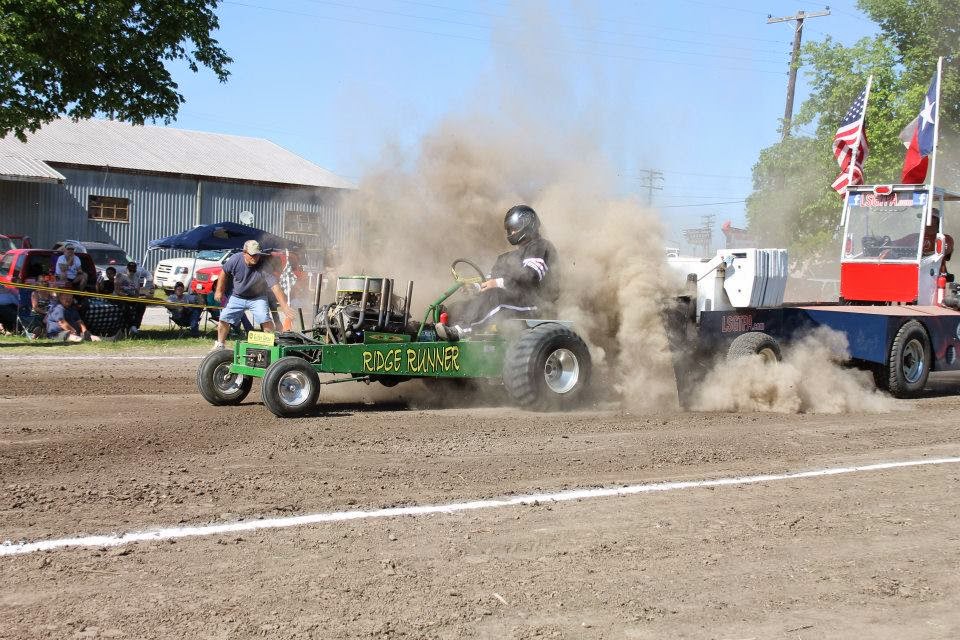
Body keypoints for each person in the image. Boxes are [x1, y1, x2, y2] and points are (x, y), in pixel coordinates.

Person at [437, 204, 559, 341]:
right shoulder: (507, 257)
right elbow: (490, 279)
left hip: (537, 305)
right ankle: (432, 331)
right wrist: (476, 287)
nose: (512, 233)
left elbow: (531, 276)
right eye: (510, 230)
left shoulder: (540, 246)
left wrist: (497, 283)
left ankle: (461, 330)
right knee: (456, 307)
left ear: (528, 224)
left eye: (514, 228)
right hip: (515, 301)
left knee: (495, 295)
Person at [212, 239, 294, 350]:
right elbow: (224, 272)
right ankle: (220, 345)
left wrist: (284, 306)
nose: (255, 257)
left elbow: (275, 286)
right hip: (237, 296)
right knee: (224, 319)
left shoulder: (264, 265)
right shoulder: (235, 259)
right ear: (244, 253)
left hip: (258, 298)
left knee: (265, 319)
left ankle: (269, 347)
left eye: (258, 255)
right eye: (253, 255)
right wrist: (219, 291)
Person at [116, 261, 153, 333]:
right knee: (125, 307)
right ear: (127, 269)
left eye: (133, 270)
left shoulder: (136, 279)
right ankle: (130, 325)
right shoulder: (120, 276)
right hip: (121, 297)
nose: (132, 271)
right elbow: (117, 290)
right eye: (130, 270)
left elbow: (137, 292)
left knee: (142, 305)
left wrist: (135, 297)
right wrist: (124, 295)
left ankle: (135, 326)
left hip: (131, 297)